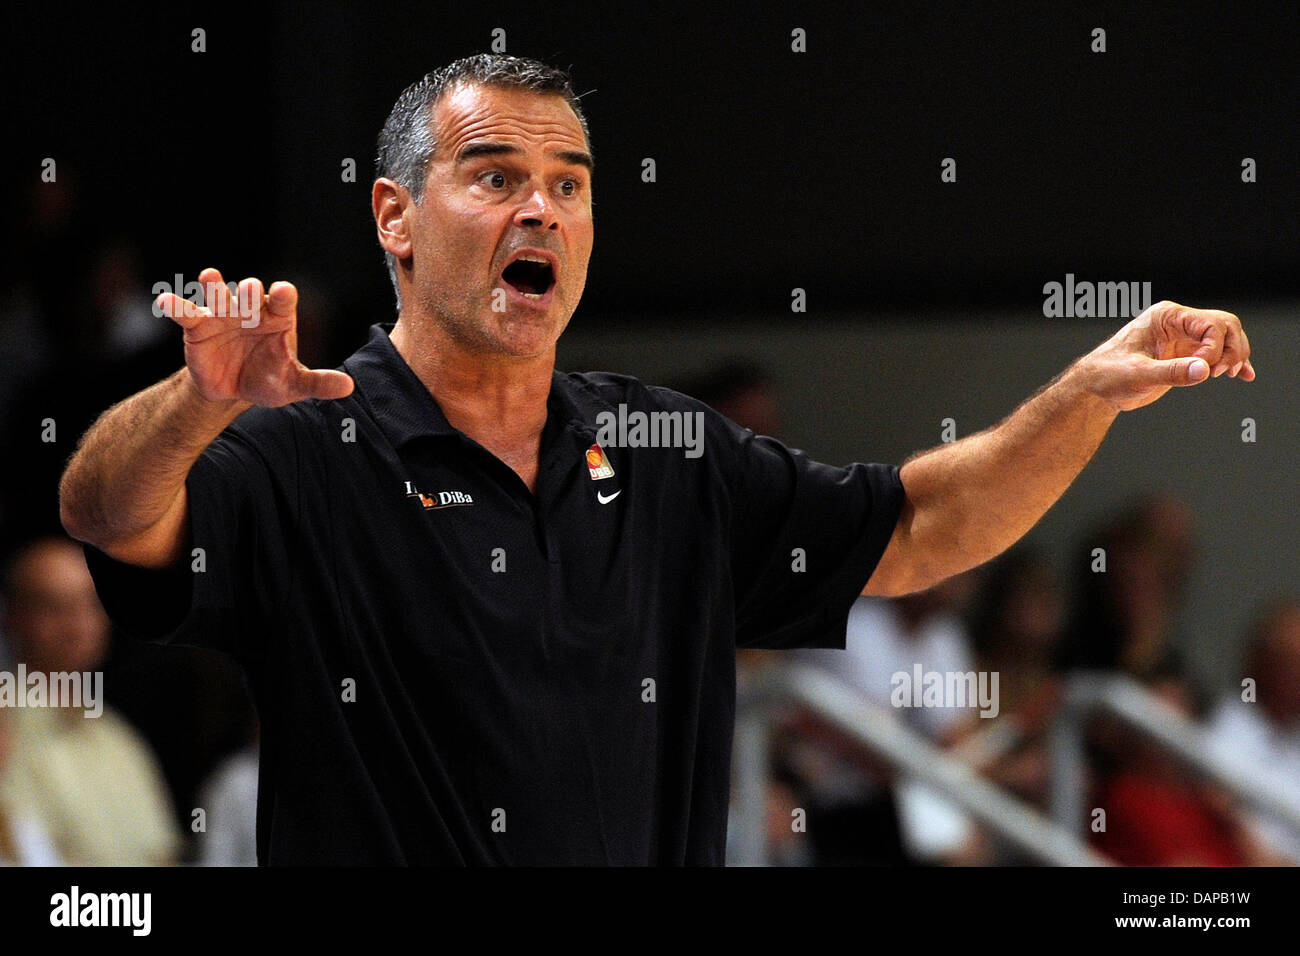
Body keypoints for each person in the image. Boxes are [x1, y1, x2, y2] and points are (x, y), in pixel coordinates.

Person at [58, 54, 1255, 865]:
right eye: (495, 177)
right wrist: (193, 399)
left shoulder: (662, 447)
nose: (543, 210)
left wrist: (1089, 392)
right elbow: (106, 511)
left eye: (568, 185)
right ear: (395, 218)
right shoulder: (303, 449)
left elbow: (919, 525)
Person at [0, 537, 181, 865]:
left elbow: (160, 855)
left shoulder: (118, 738)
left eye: (91, 604)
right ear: (12, 616)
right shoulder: (5, 727)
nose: (78, 625)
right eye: (55, 607)